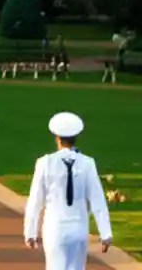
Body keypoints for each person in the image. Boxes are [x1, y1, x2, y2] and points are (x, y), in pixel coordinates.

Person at [22, 111, 112, 270]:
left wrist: (30, 231)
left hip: (55, 228)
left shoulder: (45, 163)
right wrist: (105, 233)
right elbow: (97, 200)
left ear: (57, 138)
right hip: (79, 228)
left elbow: (35, 200)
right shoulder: (87, 163)